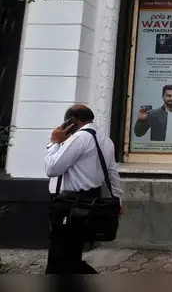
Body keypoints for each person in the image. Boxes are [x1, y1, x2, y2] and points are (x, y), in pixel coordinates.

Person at [44, 104, 123, 274]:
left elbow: (52, 169)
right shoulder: (105, 140)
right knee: (72, 254)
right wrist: (118, 200)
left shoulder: (79, 138)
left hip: (69, 204)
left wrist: (54, 142)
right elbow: (112, 175)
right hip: (89, 202)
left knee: (59, 258)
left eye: (65, 122)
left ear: (71, 121)